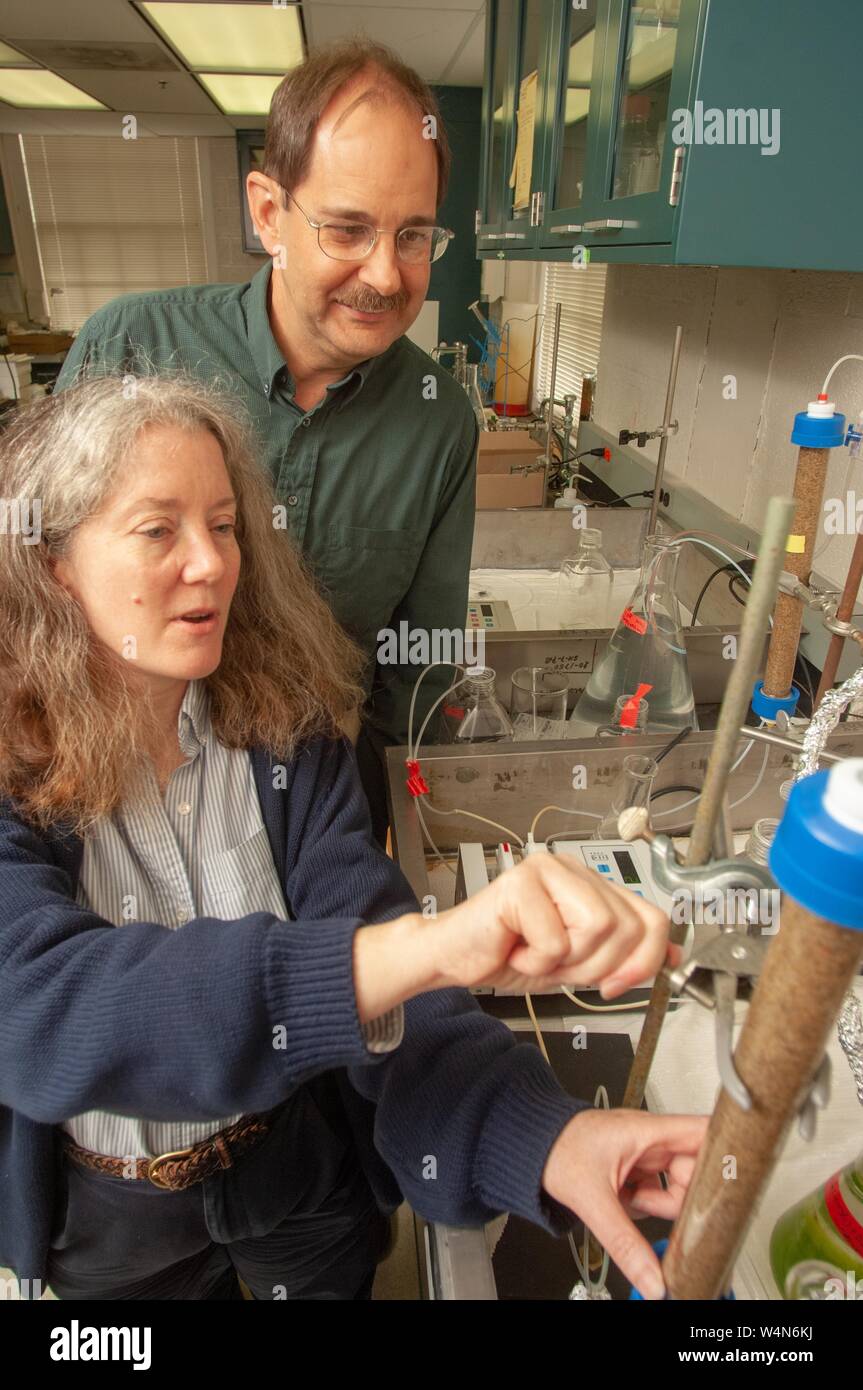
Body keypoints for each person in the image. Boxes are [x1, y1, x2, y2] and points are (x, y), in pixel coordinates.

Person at [0, 377, 706, 1302]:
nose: (210, 563)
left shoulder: (286, 735)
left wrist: (542, 1135)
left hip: (294, 1168)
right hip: (114, 1220)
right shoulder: (16, 765)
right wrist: (415, 946)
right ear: (54, 562)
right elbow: (43, 1009)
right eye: (157, 530)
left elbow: (392, 983)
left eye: (223, 525)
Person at [55, 38, 481, 845]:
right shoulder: (133, 348)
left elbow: (418, 668)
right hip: (107, 792)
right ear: (267, 213)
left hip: (311, 820)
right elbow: (31, 595)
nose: (386, 276)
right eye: (348, 229)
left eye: (414, 235)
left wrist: (396, 831)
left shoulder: (438, 420)